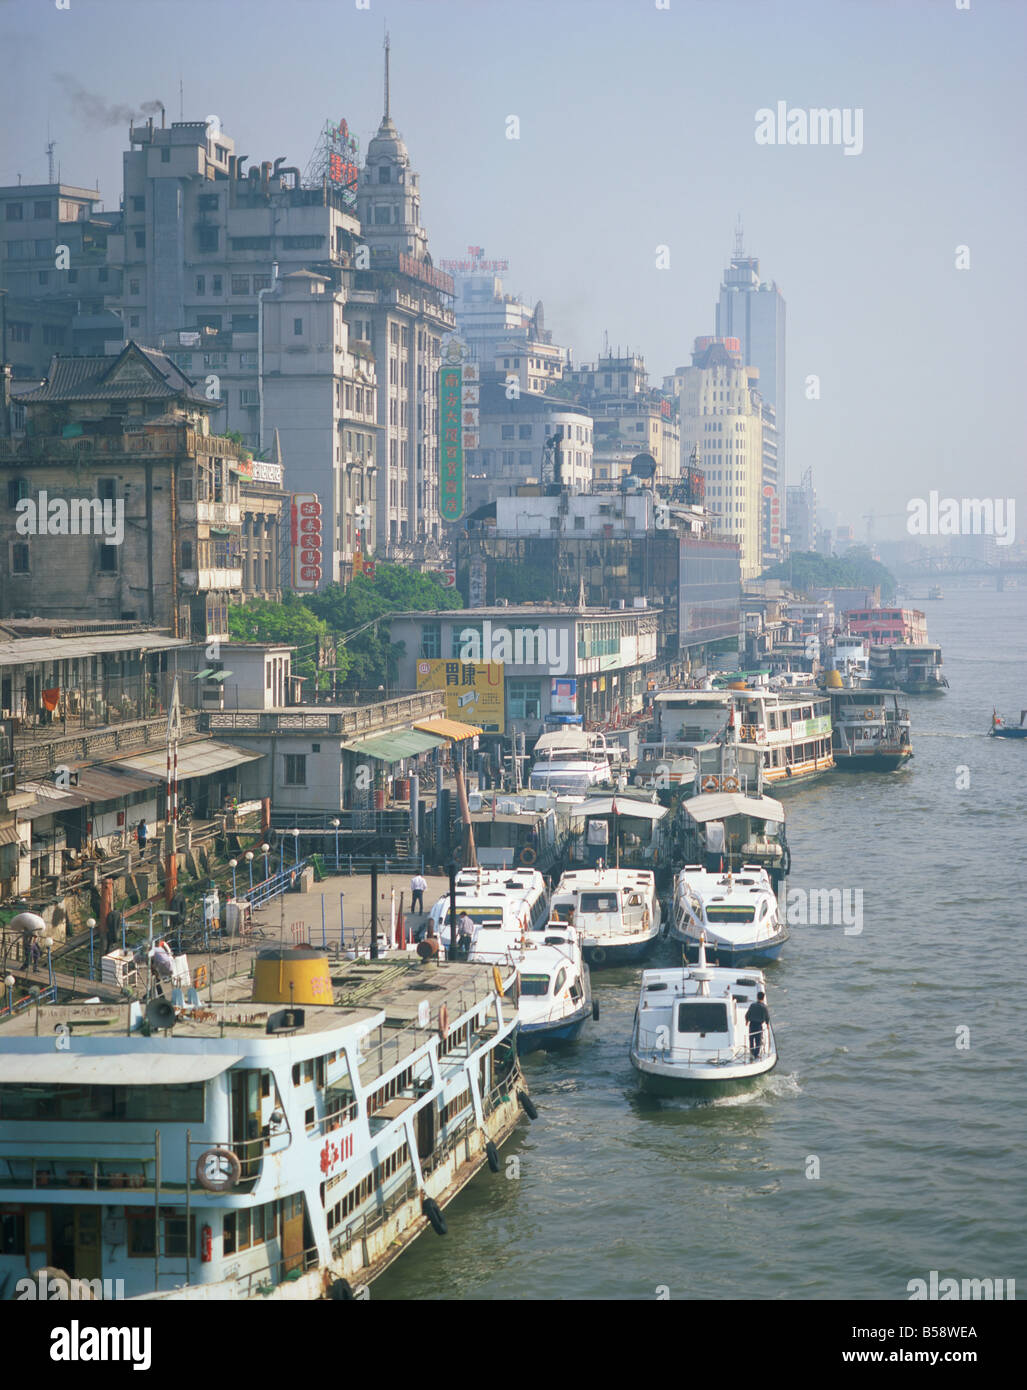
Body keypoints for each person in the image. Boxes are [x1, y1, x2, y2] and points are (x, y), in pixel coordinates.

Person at [745, 991, 771, 1059]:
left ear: (757, 997)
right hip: (758, 1025)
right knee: (758, 1041)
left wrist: (747, 1021)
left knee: (751, 1039)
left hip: (752, 1024)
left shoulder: (752, 1005)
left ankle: (752, 1052)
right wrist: (767, 1024)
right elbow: (767, 1016)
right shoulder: (764, 1007)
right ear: (763, 998)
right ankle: (756, 1055)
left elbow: (748, 1014)